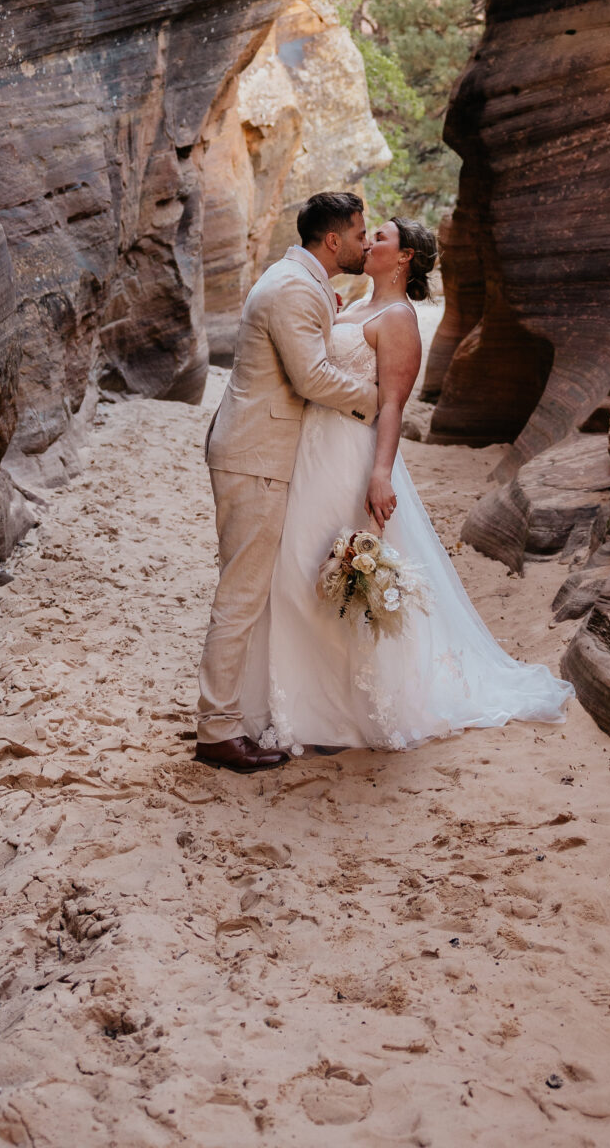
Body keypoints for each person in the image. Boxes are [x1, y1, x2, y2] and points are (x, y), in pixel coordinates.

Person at [242, 217, 574, 753]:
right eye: (367, 234)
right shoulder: (349, 305)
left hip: (351, 457)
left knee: (333, 572)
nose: (368, 241)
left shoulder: (399, 318)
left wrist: (379, 473)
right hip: (311, 453)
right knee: (298, 572)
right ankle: (301, 699)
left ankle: (341, 709)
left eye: (381, 238)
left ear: (404, 259)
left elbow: (392, 404)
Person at [195, 192, 378, 773]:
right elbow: (314, 377)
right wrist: (380, 400)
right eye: (358, 234)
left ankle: (229, 716)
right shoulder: (294, 288)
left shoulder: (300, 280)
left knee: (247, 590)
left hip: (256, 449)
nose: (364, 243)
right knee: (241, 593)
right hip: (255, 455)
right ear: (332, 241)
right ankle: (218, 733)